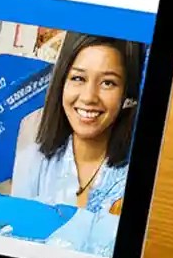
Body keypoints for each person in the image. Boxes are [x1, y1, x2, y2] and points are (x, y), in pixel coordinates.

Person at [11, 32, 146, 218]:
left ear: (127, 93)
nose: (89, 97)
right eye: (78, 78)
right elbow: (17, 224)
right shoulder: (32, 134)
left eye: (108, 83)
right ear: (62, 81)